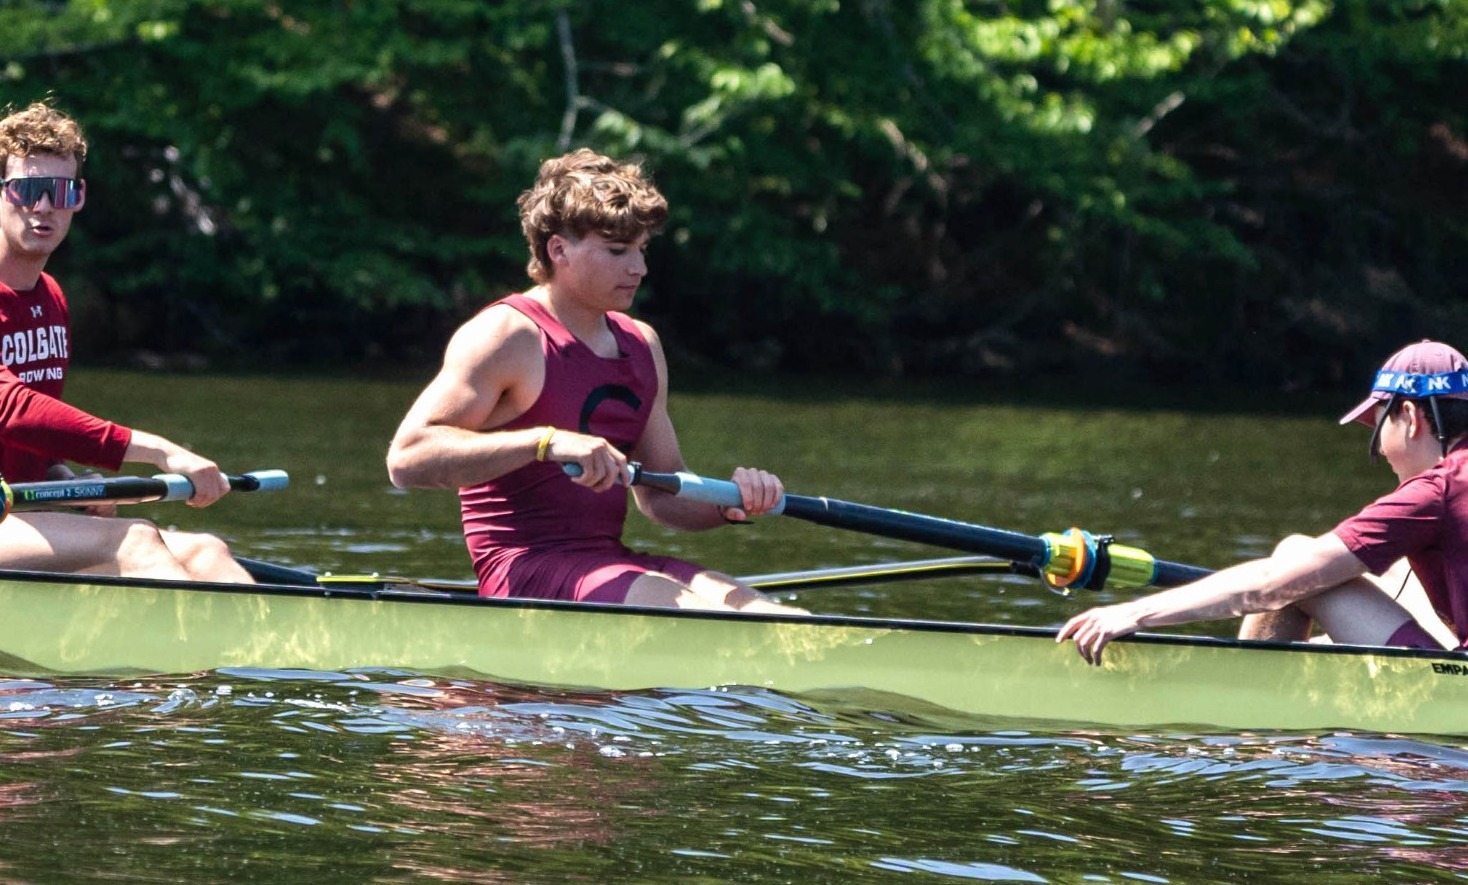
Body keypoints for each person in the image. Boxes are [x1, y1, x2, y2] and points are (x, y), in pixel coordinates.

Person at [387, 148, 802, 613]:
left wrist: (730, 504)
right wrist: (545, 443)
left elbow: (661, 498)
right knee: (688, 611)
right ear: (558, 250)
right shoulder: (508, 336)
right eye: (618, 251)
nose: (639, 269)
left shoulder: (642, 344)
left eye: (642, 250)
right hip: (523, 567)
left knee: (773, 618)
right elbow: (407, 459)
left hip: (609, 564)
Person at [1057, 339, 1468, 664]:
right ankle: (1318, 661)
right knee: (1390, 573)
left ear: (1411, 418)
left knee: (1297, 561)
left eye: (1377, 424)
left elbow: (1276, 583)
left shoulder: (1435, 491)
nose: (1378, 448)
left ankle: (1254, 717)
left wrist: (1134, 614)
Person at [0, 100, 252, 582]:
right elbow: (11, 409)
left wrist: (69, 482)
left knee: (207, 551)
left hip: (17, 514)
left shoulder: (51, 296)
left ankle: (267, 657)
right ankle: (188, 659)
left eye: (60, 190)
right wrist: (161, 451)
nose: (43, 206)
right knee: (137, 540)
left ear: (80, 196)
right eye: (26, 190)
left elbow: (30, 441)